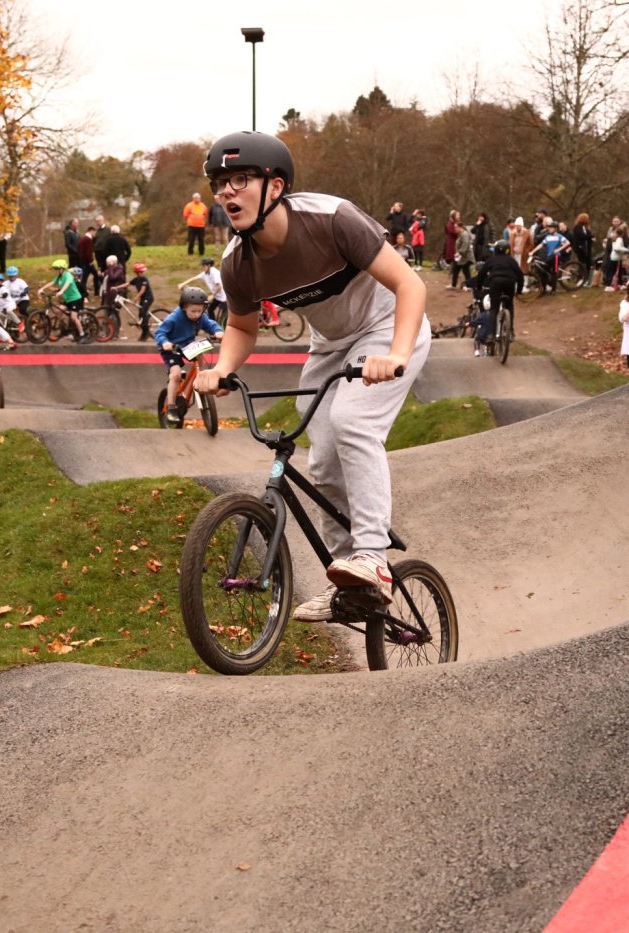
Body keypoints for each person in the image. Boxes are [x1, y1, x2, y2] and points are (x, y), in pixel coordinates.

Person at [195, 129, 430, 621]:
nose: (226, 193)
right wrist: (221, 368)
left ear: (275, 186)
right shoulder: (237, 263)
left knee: (352, 423)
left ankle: (373, 557)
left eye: (240, 180)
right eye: (219, 184)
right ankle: (350, 581)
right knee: (322, 461)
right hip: (330, 345)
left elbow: (409, 284)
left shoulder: (332, 219)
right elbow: (241, 326)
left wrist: (397, 353)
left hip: (387, 326)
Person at [156, 285, 225, 423]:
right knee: (175, 374)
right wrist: (164, 342)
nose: (196, 314)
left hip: (187, 345)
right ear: (184, 307)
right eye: (193, 311)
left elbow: (210, 324)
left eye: (200, 311)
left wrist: (218, 331)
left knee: (201, 352)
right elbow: (160, 332)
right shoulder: (174, 318)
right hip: (172, 348)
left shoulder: (200, 317)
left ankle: (199, 375)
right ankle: (171, 407)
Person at [471, 239, 524, 356]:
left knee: (494, 308)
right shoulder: (512, 260)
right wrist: (519, 290)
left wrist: (479, 287)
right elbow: (520, 275)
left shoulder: (492, 260)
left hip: (495, 283)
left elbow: (482, 274)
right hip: (510, 282)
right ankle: (511, 331)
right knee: (509, 305)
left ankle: (491, 334)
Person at [38, 259, 90, 343]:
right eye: (55, 269)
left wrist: (61, 291)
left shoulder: (68, 275)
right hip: (68, 300)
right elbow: (52, 283)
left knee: (74, 317)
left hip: (75, 299)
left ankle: (82, 335)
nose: (56, 270)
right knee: (59, 310)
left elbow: (68, 283)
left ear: (62, 269)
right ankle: (64, 330)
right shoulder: (59, 277)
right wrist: (42, 288)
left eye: (57, 269)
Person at [528, 221, 570, 291]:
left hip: (556, 256)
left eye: (551, 227)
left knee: (554, 271)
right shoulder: (548, 237)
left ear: (555, 228)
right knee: (544, 270)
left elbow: (567, 243)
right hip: (549, 256)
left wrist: (559, 249)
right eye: (549, 227)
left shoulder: (559, 236)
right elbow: (541, 245)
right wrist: (533, 252)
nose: (549, 229)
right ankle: (544, 287)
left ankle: (553, 288)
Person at [129, 262, 155, 338]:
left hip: (148, 298)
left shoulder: (144, 279)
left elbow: (142, 290)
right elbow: (127, 284)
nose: (141, 273)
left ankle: (146, 330)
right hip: (143, 299)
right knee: (140, 314)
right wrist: (116, 287)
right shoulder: (136, 279)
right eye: (140, 272)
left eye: (142, 272)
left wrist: (136, 297)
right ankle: (144, 331)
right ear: (136, 273)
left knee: (143, 312)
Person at [569, 213, 595, 287]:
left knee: (589, 264)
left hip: (586, 248)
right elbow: (582, 236)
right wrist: (591, 236)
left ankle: (587, 279)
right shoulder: (577, 227)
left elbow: (588, 236)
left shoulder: (585, 228)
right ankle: (581, 278)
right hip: (580, 248)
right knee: (582, 263)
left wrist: (591, 237)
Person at [2, 265, 30, 332]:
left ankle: (29, 319)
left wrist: (24, 292)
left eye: (13, 276)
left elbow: (26, 288)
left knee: (22, 310)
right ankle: (13, 324)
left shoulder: (20, 281)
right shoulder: (5, 283)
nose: (11, 278)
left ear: (16, 275)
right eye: (10, 276)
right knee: (6, 311)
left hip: (22, 299)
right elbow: (0, 289)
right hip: (12, 301)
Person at [448, 222, 474, 291]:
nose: (455, 229)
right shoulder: (460, 234)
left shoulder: (465, 234)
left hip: (465, 257)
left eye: (456, 227)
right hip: (460, 257)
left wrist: (459, 252)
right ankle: (453, 285)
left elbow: (465, 244)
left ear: (460, 227)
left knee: (466, 271)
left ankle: (470, 285)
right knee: (455, 269)